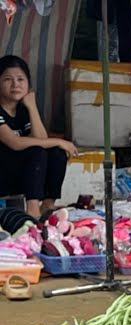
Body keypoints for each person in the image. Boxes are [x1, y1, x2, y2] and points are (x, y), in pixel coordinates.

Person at [0, 56, 77, 218]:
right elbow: (14, 143)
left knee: (56, 152)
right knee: (37, 151)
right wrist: (59, 140)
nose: (15, 84)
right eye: (8, 79)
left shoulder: (23, 111)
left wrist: (32, 106)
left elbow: (41, 139)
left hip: (20, 176)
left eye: (21, 79)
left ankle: (47, 206)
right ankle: (32, 210)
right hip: (3, 176)